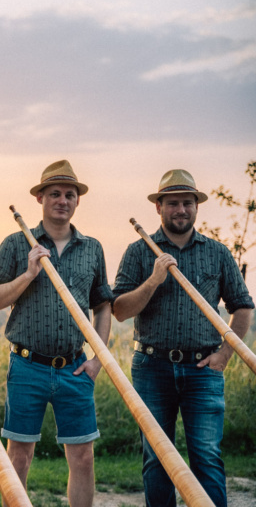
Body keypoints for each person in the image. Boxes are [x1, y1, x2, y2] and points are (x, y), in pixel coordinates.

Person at [112, 169, 254, 507]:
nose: (181, 209)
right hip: (151, 366)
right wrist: (154, 280)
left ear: (196, 207)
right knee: (157, 458)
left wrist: (223, 356)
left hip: (203, 370)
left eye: (187, 203)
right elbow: (119, 309)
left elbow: (243, 307)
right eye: (173, 203)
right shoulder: (138, 252)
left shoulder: (217, 253)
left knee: (206, 456)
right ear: (158, 207)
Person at [0, 160, 112, 507]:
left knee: (83, 457)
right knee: (19, 457)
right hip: (27, 366)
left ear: (77, 201)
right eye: (54, 193)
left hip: (75, 366)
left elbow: (103, 306)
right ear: (40, 197)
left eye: (70, 194)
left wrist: (99, 358)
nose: (62, 200)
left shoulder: (92, 249)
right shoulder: (16, 244)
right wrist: (27, 274)